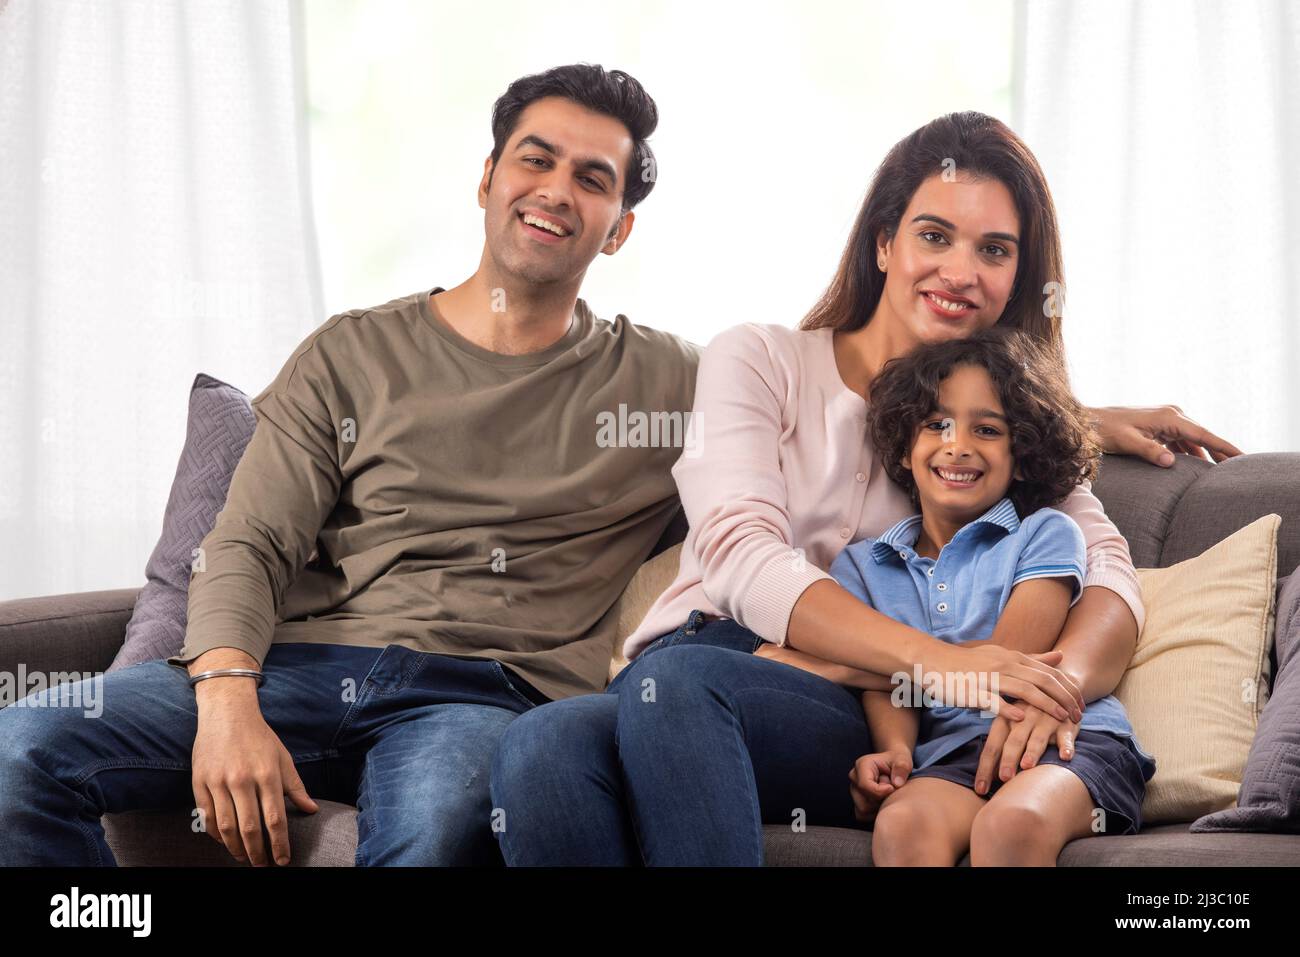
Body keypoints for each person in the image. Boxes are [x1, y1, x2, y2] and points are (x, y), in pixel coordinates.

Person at [490, 110, 1241, 866]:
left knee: (683, 691)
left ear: (1019, 276)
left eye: (995, 250)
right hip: (702, 655)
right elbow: (739, 551)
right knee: (538, 745)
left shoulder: (1005, 438)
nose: (961, 271)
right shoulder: (760, 359)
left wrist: (1051, 686)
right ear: (884, 242)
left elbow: (1108, 575)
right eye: (934, 235)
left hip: (846, 709)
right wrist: (938, 660)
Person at [0, 64, 700, 866]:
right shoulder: (353, 352)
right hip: (295, 667)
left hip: (485, 696)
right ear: (488, 179)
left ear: (619, 228)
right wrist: (227, 699)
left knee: (433, 834)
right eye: (534, 159)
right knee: (17, 747)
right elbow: (250, 542)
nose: (554, 190)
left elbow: (816, 431)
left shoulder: (671, 384)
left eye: (592, 178)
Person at [837, 326, 1156, 866]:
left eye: (986, 429)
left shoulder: (1046, 532)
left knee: (1011, 824)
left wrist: (914, 670)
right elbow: (889, 682)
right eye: (935, 424)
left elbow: (1007, 666)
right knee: (903, 826)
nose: (957, 444)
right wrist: (893, 749)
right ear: (904, 444)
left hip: (1064, 742)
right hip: (951, 755)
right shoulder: (863, 565)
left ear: (1022, 453)